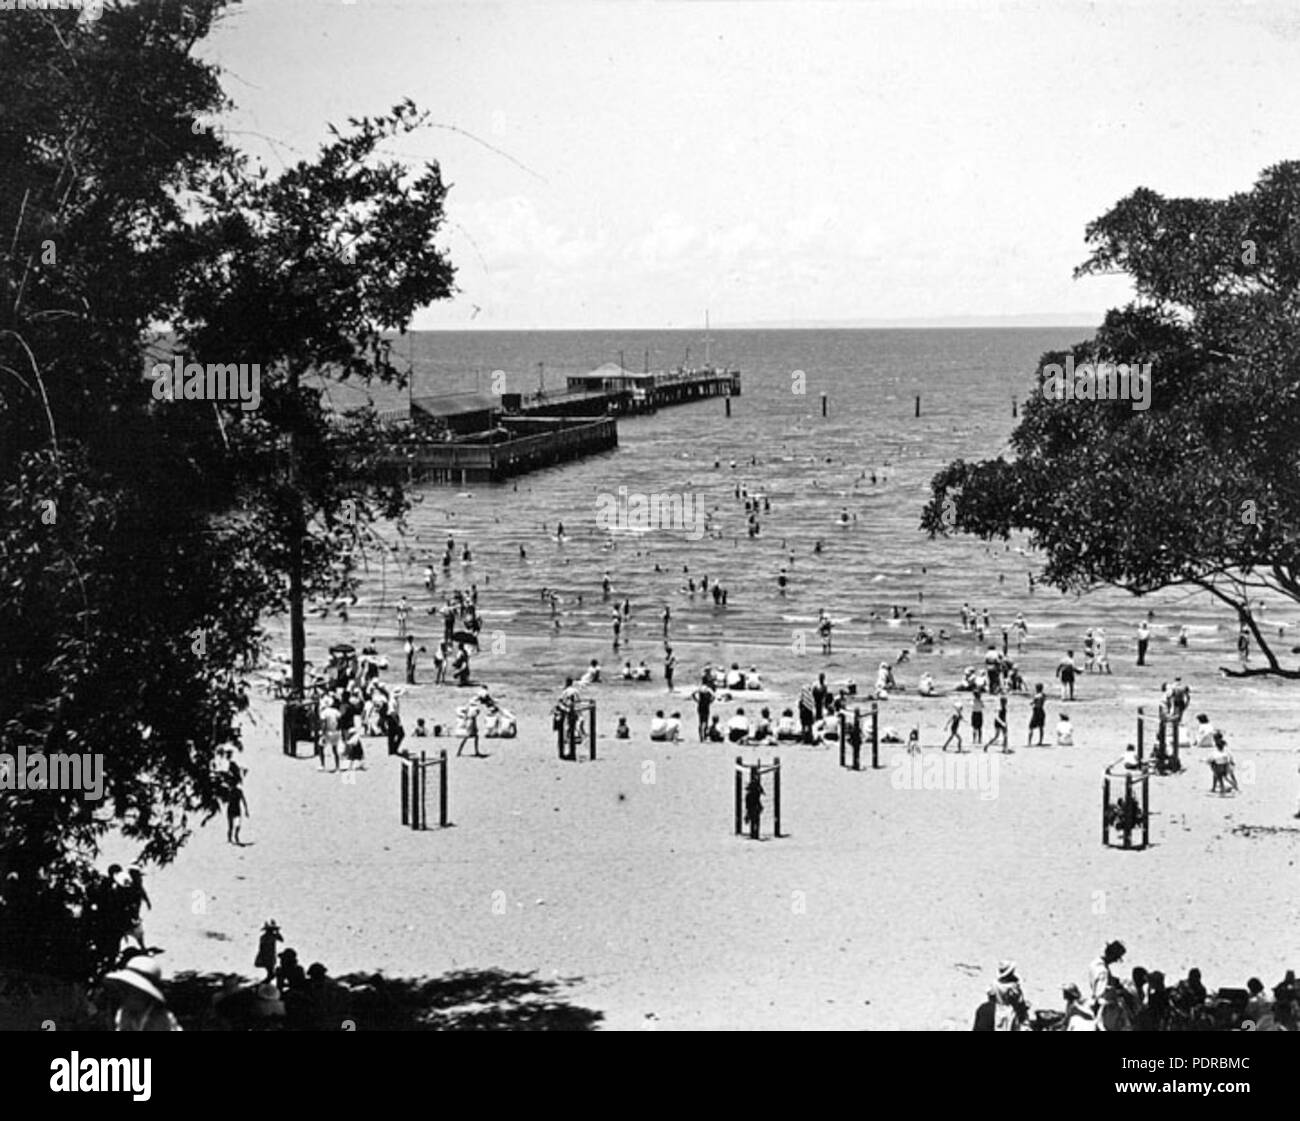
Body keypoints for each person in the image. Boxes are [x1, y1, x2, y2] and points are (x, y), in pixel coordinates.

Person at [102, 955, 182, 1031]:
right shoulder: (124, 1013)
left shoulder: (161, 1019)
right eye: (125, 989)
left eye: (131, 991)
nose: (125, 994)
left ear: (145, 995)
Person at [1089, 941, 1131, 1031]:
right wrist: (1119, 992)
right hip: (1106, 1010)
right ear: (1112, 954)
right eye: (1116, 957)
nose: (1115, 960)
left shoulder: (1096, 963)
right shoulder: (1102, 971)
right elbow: (1101, 993)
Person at [991, 961, 1030, 1031]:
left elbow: (991, 995)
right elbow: (1019, 1001)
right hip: (1010, 1010)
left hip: (998, 1009)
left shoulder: (995, 984)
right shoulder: (1012, 987)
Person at [222, 768, 249, 844]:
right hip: (232, 810)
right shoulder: (231, 792)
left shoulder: (237, 792)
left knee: (237, 825)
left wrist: (246, 810)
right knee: (231, 826)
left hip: (235, 810)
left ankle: (235, 836)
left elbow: (243, 800)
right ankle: (230, 838)